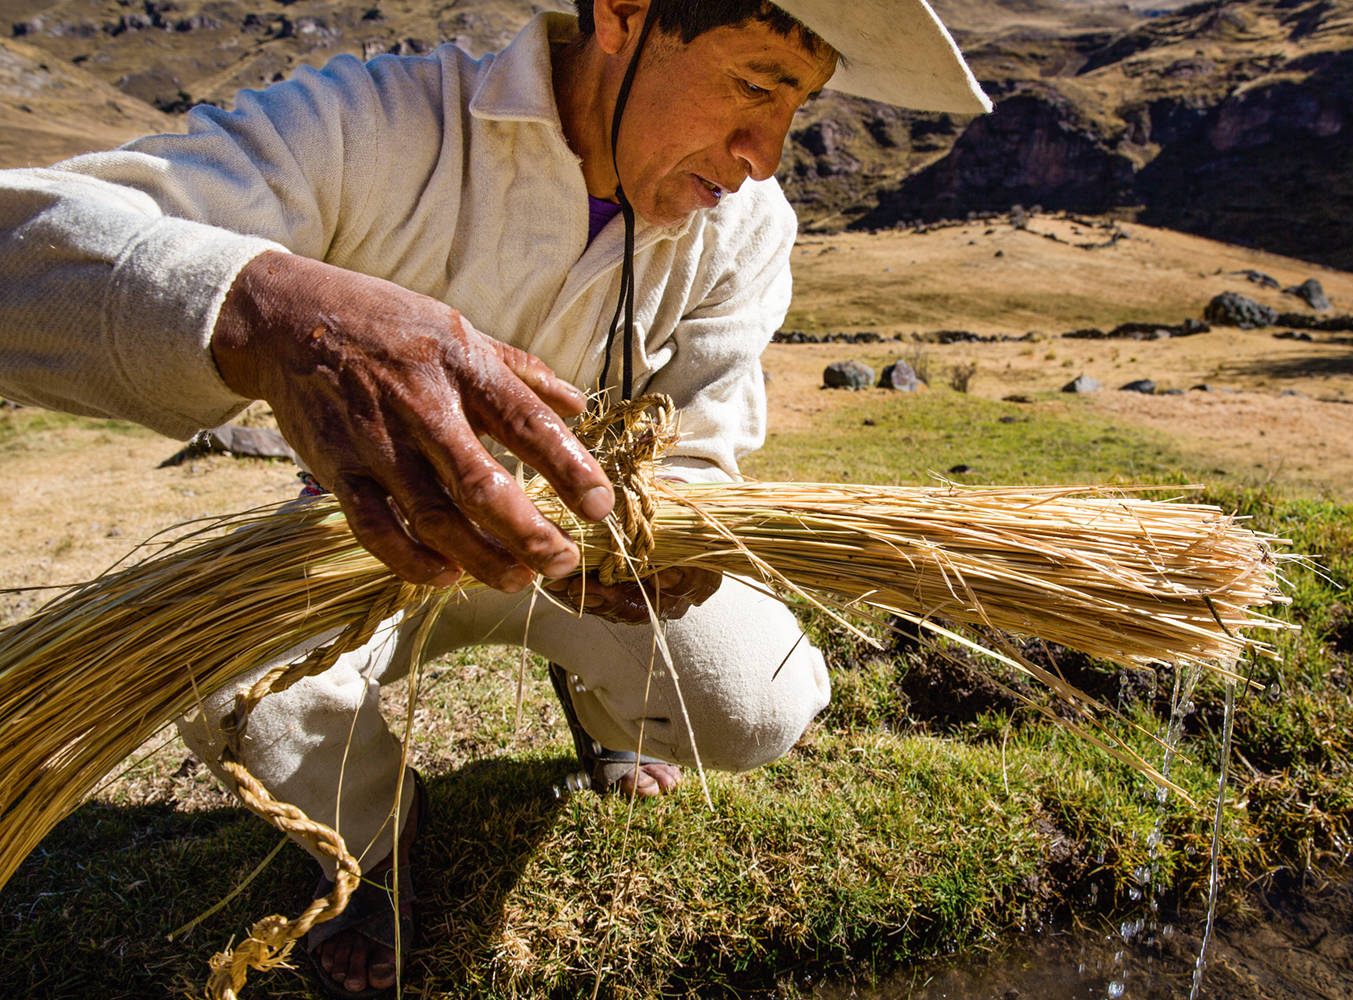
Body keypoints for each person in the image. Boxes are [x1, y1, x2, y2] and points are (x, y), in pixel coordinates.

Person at [0, 1, 989, 994]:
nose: (764, 154)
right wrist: (273, 307)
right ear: (624, 15)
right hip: (363, 547)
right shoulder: (376, 124)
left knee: (753, 698)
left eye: (798, 107)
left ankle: (603, 711)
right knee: (238, 694)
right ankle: (378, 846)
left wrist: (667, 534)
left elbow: (707, 426)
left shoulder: (748, 227)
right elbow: (24, 250)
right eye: (756, 84)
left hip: (585, 564)